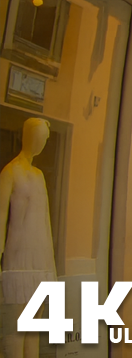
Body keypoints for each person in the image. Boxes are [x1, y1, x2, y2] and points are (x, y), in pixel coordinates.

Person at [0, 118, 57, 358]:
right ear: (29, 136)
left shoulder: (39, 175)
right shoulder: (10, 172)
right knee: (15, 333)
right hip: (17, 261)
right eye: (40, 138)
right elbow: (1, 215)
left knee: (33, 330)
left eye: (45, 140)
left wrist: (51, 268)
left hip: (40, 261)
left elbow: (45, 222)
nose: (42, 144)